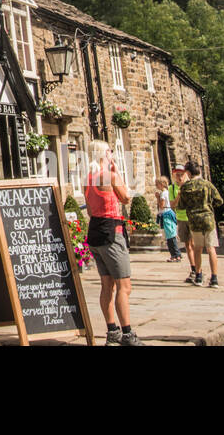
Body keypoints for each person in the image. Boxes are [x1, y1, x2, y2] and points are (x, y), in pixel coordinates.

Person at [86, 139, 141, 345]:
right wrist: (117, 173)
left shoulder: (88, 178)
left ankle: (112, 332)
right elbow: (126, 197)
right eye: (110, 151)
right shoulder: (109, 175)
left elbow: (91, 210)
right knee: (124, 286)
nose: (112, 154)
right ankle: (127, 334)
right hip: (112, 232)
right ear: (103, 155)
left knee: (106, 285)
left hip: (95, 232)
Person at [175, 161, 223, 287]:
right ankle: (214, 278)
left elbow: (181, 206)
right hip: (208, 219)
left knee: (197, 249)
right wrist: (208, 205)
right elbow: (219, 201)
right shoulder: (207, 184)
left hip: (194, 220)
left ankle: (199, 276)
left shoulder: (185, 187)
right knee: (211, 248)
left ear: (189, 173)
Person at [171, 164, 196, 282]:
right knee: (188, 245)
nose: (179, 177)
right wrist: (179, 195)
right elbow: (172, 205)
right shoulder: (172, 189)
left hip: (191, 217)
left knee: (195, 245)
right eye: (177, 175)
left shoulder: (190, 186)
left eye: (181, 175)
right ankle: (193, 269)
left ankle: (198, 269)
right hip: (181, 218)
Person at [155, 175, 181, 261]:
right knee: (171, 235)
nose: (156, 186)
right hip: (168, 213)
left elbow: (161, 206)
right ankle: (176, 254)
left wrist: (158, 198)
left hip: (166, 214)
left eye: (157, 184)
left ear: (162, 184)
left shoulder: (163, 194)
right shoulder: (166, 192)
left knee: (170, 237)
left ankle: (175, 255)